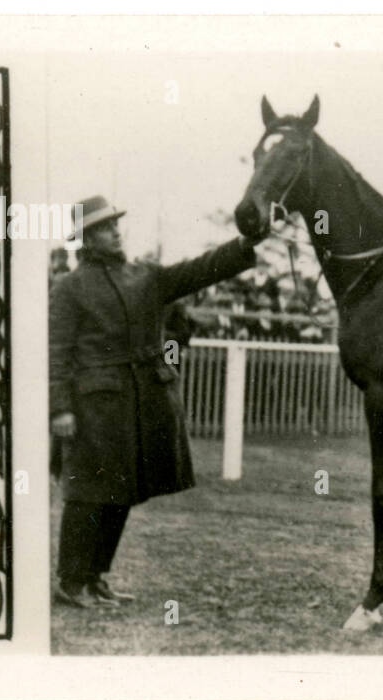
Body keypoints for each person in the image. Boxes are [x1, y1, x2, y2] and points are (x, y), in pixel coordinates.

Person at [49, 195, 259, 609]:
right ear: (87, 238)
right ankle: (72, 581)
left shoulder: (143, 275)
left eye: (114, 225)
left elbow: (199, 271)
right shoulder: (70, 287)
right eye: (105, 227)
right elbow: (55, 351)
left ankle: (96, 577)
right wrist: (60, 409)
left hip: (140, 400)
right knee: (89, 491)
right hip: (93, 402)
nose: (114, 231)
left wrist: (244, 244)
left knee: (122, 490)